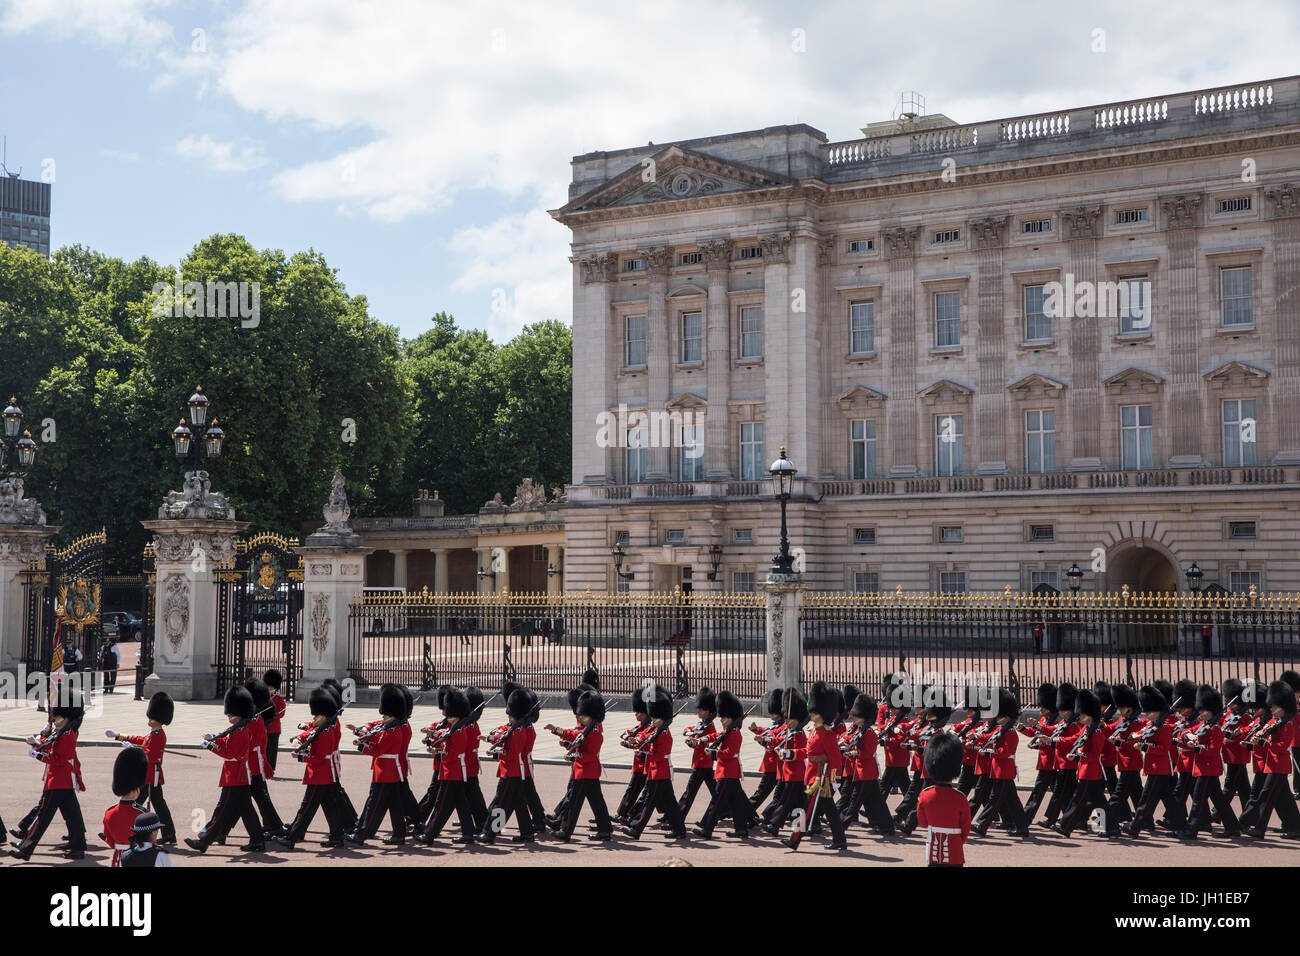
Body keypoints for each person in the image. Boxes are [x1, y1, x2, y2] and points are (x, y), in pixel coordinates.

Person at [9, 688, 87, 861]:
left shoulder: (67, 734)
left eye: (57, 716)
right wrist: (36, 742)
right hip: (63, 781)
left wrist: (38, 755)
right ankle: (78, 846)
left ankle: (25, 849)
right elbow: (50, 742)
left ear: (66, 717)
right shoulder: (64, 731)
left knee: (42, 817)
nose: (54, 719)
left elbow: (59, 758)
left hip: (58, 780)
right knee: (73, 816)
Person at [186, 686, 265, 854]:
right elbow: (229, 744)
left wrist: (210, 747)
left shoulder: (240, 731)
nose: (228, 715)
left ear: (239, 712)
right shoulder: (239, 729)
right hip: (238, 775)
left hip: (235, 776)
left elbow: (230, 754)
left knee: (222, 810)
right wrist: (214, 738)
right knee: (247, 811)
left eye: (231, 712)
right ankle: (258, 841)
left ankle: (205, 842)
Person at [272, 684, 349, 850]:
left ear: (323, 714)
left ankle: (292, 837)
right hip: (324, 774)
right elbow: (311, 733)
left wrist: (300, 756)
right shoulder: (325, 726)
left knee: (307, 807)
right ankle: (337, 836)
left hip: (320, 774)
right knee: (330, 807)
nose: (314, 719)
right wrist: (299, 740)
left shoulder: (327, 730)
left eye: (316, 715)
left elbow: (319, 757)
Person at [346, 683, 412, 846]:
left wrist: (361, 746)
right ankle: (399, 834)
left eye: (384, 715)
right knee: (395, 805)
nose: (382, 718)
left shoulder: (391, 730)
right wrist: (362, 734)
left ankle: (361, 834)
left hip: (385, 771)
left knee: (373, 804)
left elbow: (378, 749)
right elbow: (375, 737)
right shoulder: (392, 727)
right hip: (390, 771)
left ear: (390, 712)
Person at [105, 691, 176, 844]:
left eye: (152, 716)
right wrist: (119, 735)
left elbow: (149, 755)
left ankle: (127, 828)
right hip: (149, 775)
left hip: (150, 776)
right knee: (151, 804)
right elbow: (142, 740)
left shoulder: (158, 735)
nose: (149, 719)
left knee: (135, 803)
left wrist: (132, 749)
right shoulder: (154, 733)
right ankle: (168, 833)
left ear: (159, 718)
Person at [545, 688, 613, 842]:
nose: (580, 717)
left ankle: (566, 831)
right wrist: (556, 730)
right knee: (597, 803)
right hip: (586, 772)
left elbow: (590, 755)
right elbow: (573, 734)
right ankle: (605, 830)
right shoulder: (587, 729)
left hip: (585, 772)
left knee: (573, 803)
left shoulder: (594, 732)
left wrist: (574, 756)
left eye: (583, 715)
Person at [622, 686, 688, 841]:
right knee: (670, 804)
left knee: (648, 802)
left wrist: (643, 751)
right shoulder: (656, 730)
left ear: (663, 717)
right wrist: (633, 742)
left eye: (655, 718)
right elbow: (644, 738)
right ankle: (679, 830)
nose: (652, 720)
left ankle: (637, 828)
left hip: (659, 772)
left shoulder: (664, 734)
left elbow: (658, 755)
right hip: (657, 772)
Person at [1121, 685, 1187, 839]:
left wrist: (1145, 746)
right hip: (1155, 768)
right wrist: (1136, 736)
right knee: (1169, 801)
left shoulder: (1163, 728)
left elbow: (1162, 749)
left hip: (1159, 768)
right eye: (1147, 711)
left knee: (1146, 799)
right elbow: (1141, 731)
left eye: (1151, 711)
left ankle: (1135, 826)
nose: (1148, 714)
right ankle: (1183, 827)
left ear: (1159, 711)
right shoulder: (1153, 725)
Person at [695, 689, 760, 842]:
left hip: (728, 772)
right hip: (729, 773)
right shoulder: (728, 731)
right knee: (736, 803)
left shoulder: (735, 733)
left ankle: (707, 829)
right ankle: (741, 829)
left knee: (716, 802)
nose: (721, 720)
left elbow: (730, 753)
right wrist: (702, 739)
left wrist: (714, 754)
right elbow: (715, 736)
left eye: (724, 718)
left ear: (731, 718)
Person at [1177, 684, 1240, 839]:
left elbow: (1212, 751)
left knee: (1198, 800)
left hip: (1208, 769)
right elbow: (1184, 732)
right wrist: (1187, 736)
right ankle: (1233, 827)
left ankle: (1191, 830)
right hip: (1204, 769)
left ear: (1211, 710)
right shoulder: (1203, 725)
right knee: (1219, 801)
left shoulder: (1216, 729)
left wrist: (1195, 746)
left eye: (1203, 710)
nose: (1200, 712)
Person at [1239, 679, 1300, 839]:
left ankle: (1259, 829)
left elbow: (1280, 747)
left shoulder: (1287, 724)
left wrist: (1263, 742)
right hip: (1272, 765)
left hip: (1278, 765)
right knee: (1283, 798)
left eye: (1274, 705)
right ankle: (1294, 826)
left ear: (1283, 706)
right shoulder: (1276, 721)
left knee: (1266, 798)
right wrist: (1252, 742)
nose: (1270, 707)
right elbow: (1263, 731)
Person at [478, 685, 539, 844]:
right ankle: (527, 834)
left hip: (511, 772)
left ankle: (490, 832)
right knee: (519, 804)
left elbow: (512, 754)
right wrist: (489, 738)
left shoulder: (518, 731)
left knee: (500, 802)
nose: (509, 717)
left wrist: (496, 753)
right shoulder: (517, 728)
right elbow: (503, 734)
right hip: (515, 772)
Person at [419, 687, 479, 845]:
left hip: (452, 772)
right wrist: (433, 736)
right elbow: (445, 738)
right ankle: (468, 833)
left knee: (441, 806)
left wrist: (436, 753)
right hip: (455, 772)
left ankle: (429, 835)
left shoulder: (458, 730)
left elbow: (452, 755)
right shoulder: (457, 727)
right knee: (461, 804)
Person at [971, 688, 1028, 838]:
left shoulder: (1011, 733)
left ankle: (982, 825)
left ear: (1007, 717)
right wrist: (976, 737)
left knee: (994, 799)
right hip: (999, 770)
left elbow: (1005, 752)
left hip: (1004, 770)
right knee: (1013, 802)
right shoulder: (1001, 730)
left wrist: (988, 752)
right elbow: (989, 737)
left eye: (1001, 716)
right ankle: (1022, 828)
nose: (998, 718)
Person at [1052, 687, 1107, 837]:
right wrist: (1053, 741)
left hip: (1090, 771)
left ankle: (1065, 826)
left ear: (1090, 714)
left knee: (1077, 800)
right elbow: (1073, 739)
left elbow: (1094, 755)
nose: (1080, 717)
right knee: (1100, 803)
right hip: (1086, 771)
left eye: (1083, 714)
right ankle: (1111, 827)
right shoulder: (1086, 729)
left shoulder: (1096, 733)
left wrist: (1078, 756)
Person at [840, 690, 895, 835]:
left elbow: (868, 753)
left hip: (866, 772)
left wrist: (852, 753)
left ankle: (840, 827)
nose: (852, 717)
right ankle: (886, 825)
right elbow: (849, 739)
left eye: (856, 715)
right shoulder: (860, 730)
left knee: (854, 802)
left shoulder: (869, 733)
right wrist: (842, 745)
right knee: (875, 802)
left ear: (863, 716)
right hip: (863, 772)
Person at [916, 732, 970, 866]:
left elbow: (923, 822)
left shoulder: (925, 794)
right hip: (955, 850)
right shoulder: (960, 798)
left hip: (933, 849)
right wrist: (957, 841)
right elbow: (965, 828)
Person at [760, 687, 808, 834]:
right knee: (799, 801)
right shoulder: (791, 732)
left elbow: (803, 752)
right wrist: (768, 740)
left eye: (789, 719)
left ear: (797, 720)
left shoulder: (799, 734)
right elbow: (779, 739)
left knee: (785, 801)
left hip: (796, 773)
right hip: (790, 773)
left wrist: (786, 754)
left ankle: (775, 825)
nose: (786, 721)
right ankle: (802, 827)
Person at [241, 678, 283, 839]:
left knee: (238, 800)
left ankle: (218, 831)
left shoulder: (254, 720)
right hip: (252, 763)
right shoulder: (255, 718)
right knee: (259, 796)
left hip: (251, 765)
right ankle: (274, 826)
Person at [1020, 682, 1059, 823]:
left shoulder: (1057, 720)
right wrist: (1023, 729)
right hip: (1045, 760)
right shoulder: (1045, 719)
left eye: (1043, 706)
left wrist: (1037, 726)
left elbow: (1052, 734)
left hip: (1051, 761)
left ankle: (1026, 816)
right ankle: (1068, 816)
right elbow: (1036, 733)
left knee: (1039, 790)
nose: (1040, 709)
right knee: (1059, 792)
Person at [679, 686, 718, 819]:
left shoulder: (710, 727)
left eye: (702, 709)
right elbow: (689, 729)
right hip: (702, 763)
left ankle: (678, 816)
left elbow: (703, 744)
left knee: (689, 793)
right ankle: (727, 808)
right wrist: (689, 734)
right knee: (716, 791)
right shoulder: (702, 724)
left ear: (709, 711)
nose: (699, 711)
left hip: (702, 763)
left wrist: (693, 743)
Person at [614, 686, 652, 825]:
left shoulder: (649, 727)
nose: (636, 715)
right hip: (640, 764)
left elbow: (641, 741)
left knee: (638, 791)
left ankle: (625, 814)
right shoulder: (640, 726)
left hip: (645, 765)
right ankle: (622, 813)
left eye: (638, 712)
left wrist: (631, 742)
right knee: (639, 792)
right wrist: (627, 739)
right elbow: (627, 733)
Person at [103, 747, 147, 866]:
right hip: (138, 858)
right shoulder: (142, 814)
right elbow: (149, 842)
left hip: (118, 859)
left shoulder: (109, 812)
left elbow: (110, 841)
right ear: (135, 790)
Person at [748, 690, 785, 815]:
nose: (771, 714)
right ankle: (747, 812)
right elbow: (766, 732)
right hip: (771, 764)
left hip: (776, 765)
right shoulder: (776, 725)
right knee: (764, 793)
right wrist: (756, 729)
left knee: (777, 795)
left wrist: (762, 739)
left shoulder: (783, 727)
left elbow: (772, 739)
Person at [263, 669, 287, 776]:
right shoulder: (262, 698)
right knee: (264, 748)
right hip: (263, 728)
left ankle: (271, 768)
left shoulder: (279, 699)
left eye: (271, 688)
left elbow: (281, 712)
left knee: (272, 749)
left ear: (276, 689)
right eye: (268, 688)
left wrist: (275, 714)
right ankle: (263, 767)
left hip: (274, 728)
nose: (269, 690)